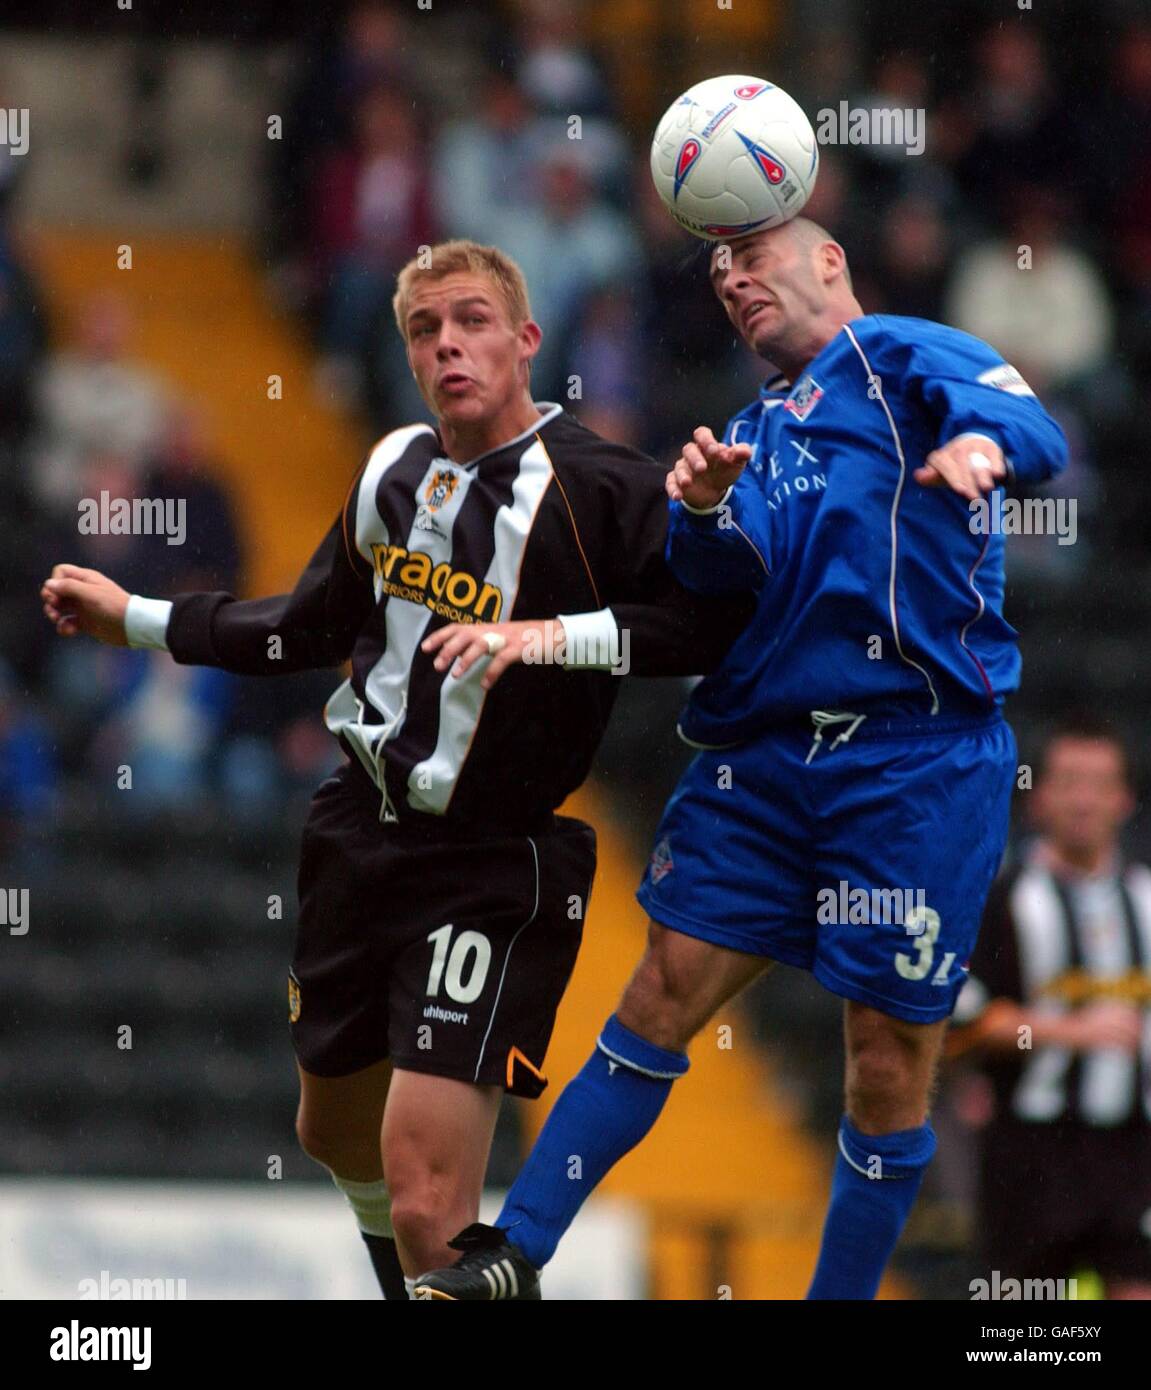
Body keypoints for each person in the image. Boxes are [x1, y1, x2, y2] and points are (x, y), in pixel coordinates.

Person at [39, 239, 749, 1301]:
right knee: (332, 1134)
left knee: (428, 1200)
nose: (447, 344)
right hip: (354, 830)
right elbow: (308, 623)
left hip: (491, 858)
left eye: (470, 320)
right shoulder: (393, 469)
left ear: (525, 340)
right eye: (424, 329)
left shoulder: (605, 486)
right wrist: (137, 619)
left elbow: (705, 624)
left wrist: (550, 633)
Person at [413, 215, 1068, 1300]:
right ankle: (514, 1253)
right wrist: (709, 510)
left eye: (750, 259)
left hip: (914, 760)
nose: (729, 280)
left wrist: (977, 450)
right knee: (656, 991)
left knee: (886, 1061)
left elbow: (1026, 426)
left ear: (827, 260)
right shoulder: (751, 429)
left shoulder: (908, 352)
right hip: (764, 756)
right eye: (716, 272)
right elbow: (723, 582)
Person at [949, 722, 1151, 1299]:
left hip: (1133, 1149)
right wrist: (1075, 1032)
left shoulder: (1146, 898)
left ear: (1124, 799)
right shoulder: (1003, 900)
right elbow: (965, 1021)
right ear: (1039, 798)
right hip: (1031, 1152)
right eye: (1068, 782)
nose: (1083, 800)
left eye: (1098, 784)